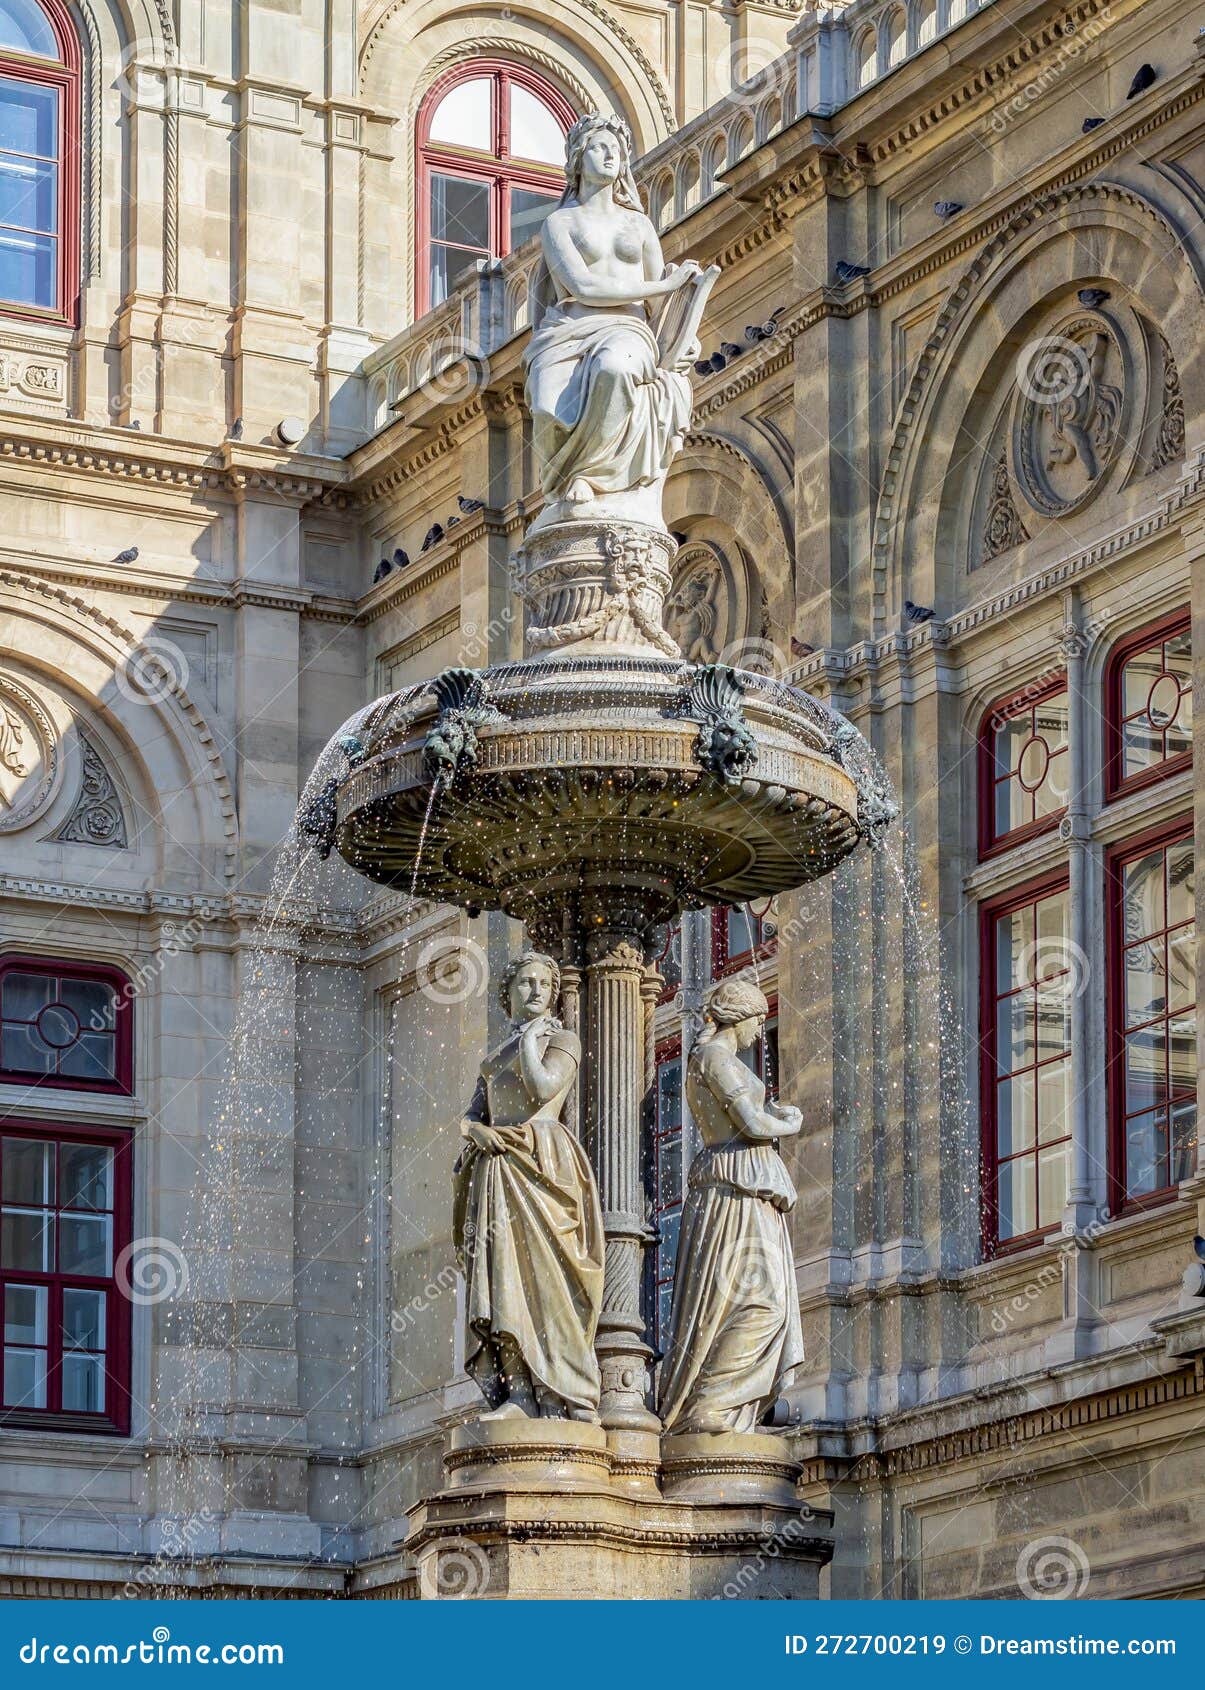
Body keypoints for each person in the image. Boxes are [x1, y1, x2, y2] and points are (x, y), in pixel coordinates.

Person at [524, 112, 708, 531]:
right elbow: (583, 286)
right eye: (599, 148)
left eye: (617, 151)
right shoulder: (559, 223)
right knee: (547, 407)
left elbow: (659, 303)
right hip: (568, 331)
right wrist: (664, 286)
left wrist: (684, 332)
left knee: (615, 368)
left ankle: (591, 475)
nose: (610, 156)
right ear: (578, 158)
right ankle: (567, 474)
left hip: (627, 329)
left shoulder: (637, 224)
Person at [452, 950, 604, 1420]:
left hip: (545, 1162)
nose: (536, 990)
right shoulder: (494, 1056)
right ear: (508, 993)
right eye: (526, 982)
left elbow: (542, 1089)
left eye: (544, 983)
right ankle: (518, 1391)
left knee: (549, 1277)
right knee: (503, 1278)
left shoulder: (563, 1040)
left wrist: (530, 1042)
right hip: (499, 1167)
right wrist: (475, 1132)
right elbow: (471, 1116)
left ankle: (558, 1389)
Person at [658, 976, 804, 1434]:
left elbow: (746, 1117)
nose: (760, 1033)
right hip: (736, 1187)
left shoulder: (711, 1059)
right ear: (739, 1018)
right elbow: (750, 1125)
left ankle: (721, 1404)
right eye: (758, 1022)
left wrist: (770, 1116)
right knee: (761, 1300)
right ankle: (711, 1405)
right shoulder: (715, 1058)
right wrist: (790, 1123)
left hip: (740, 1183)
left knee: (747, 1297)